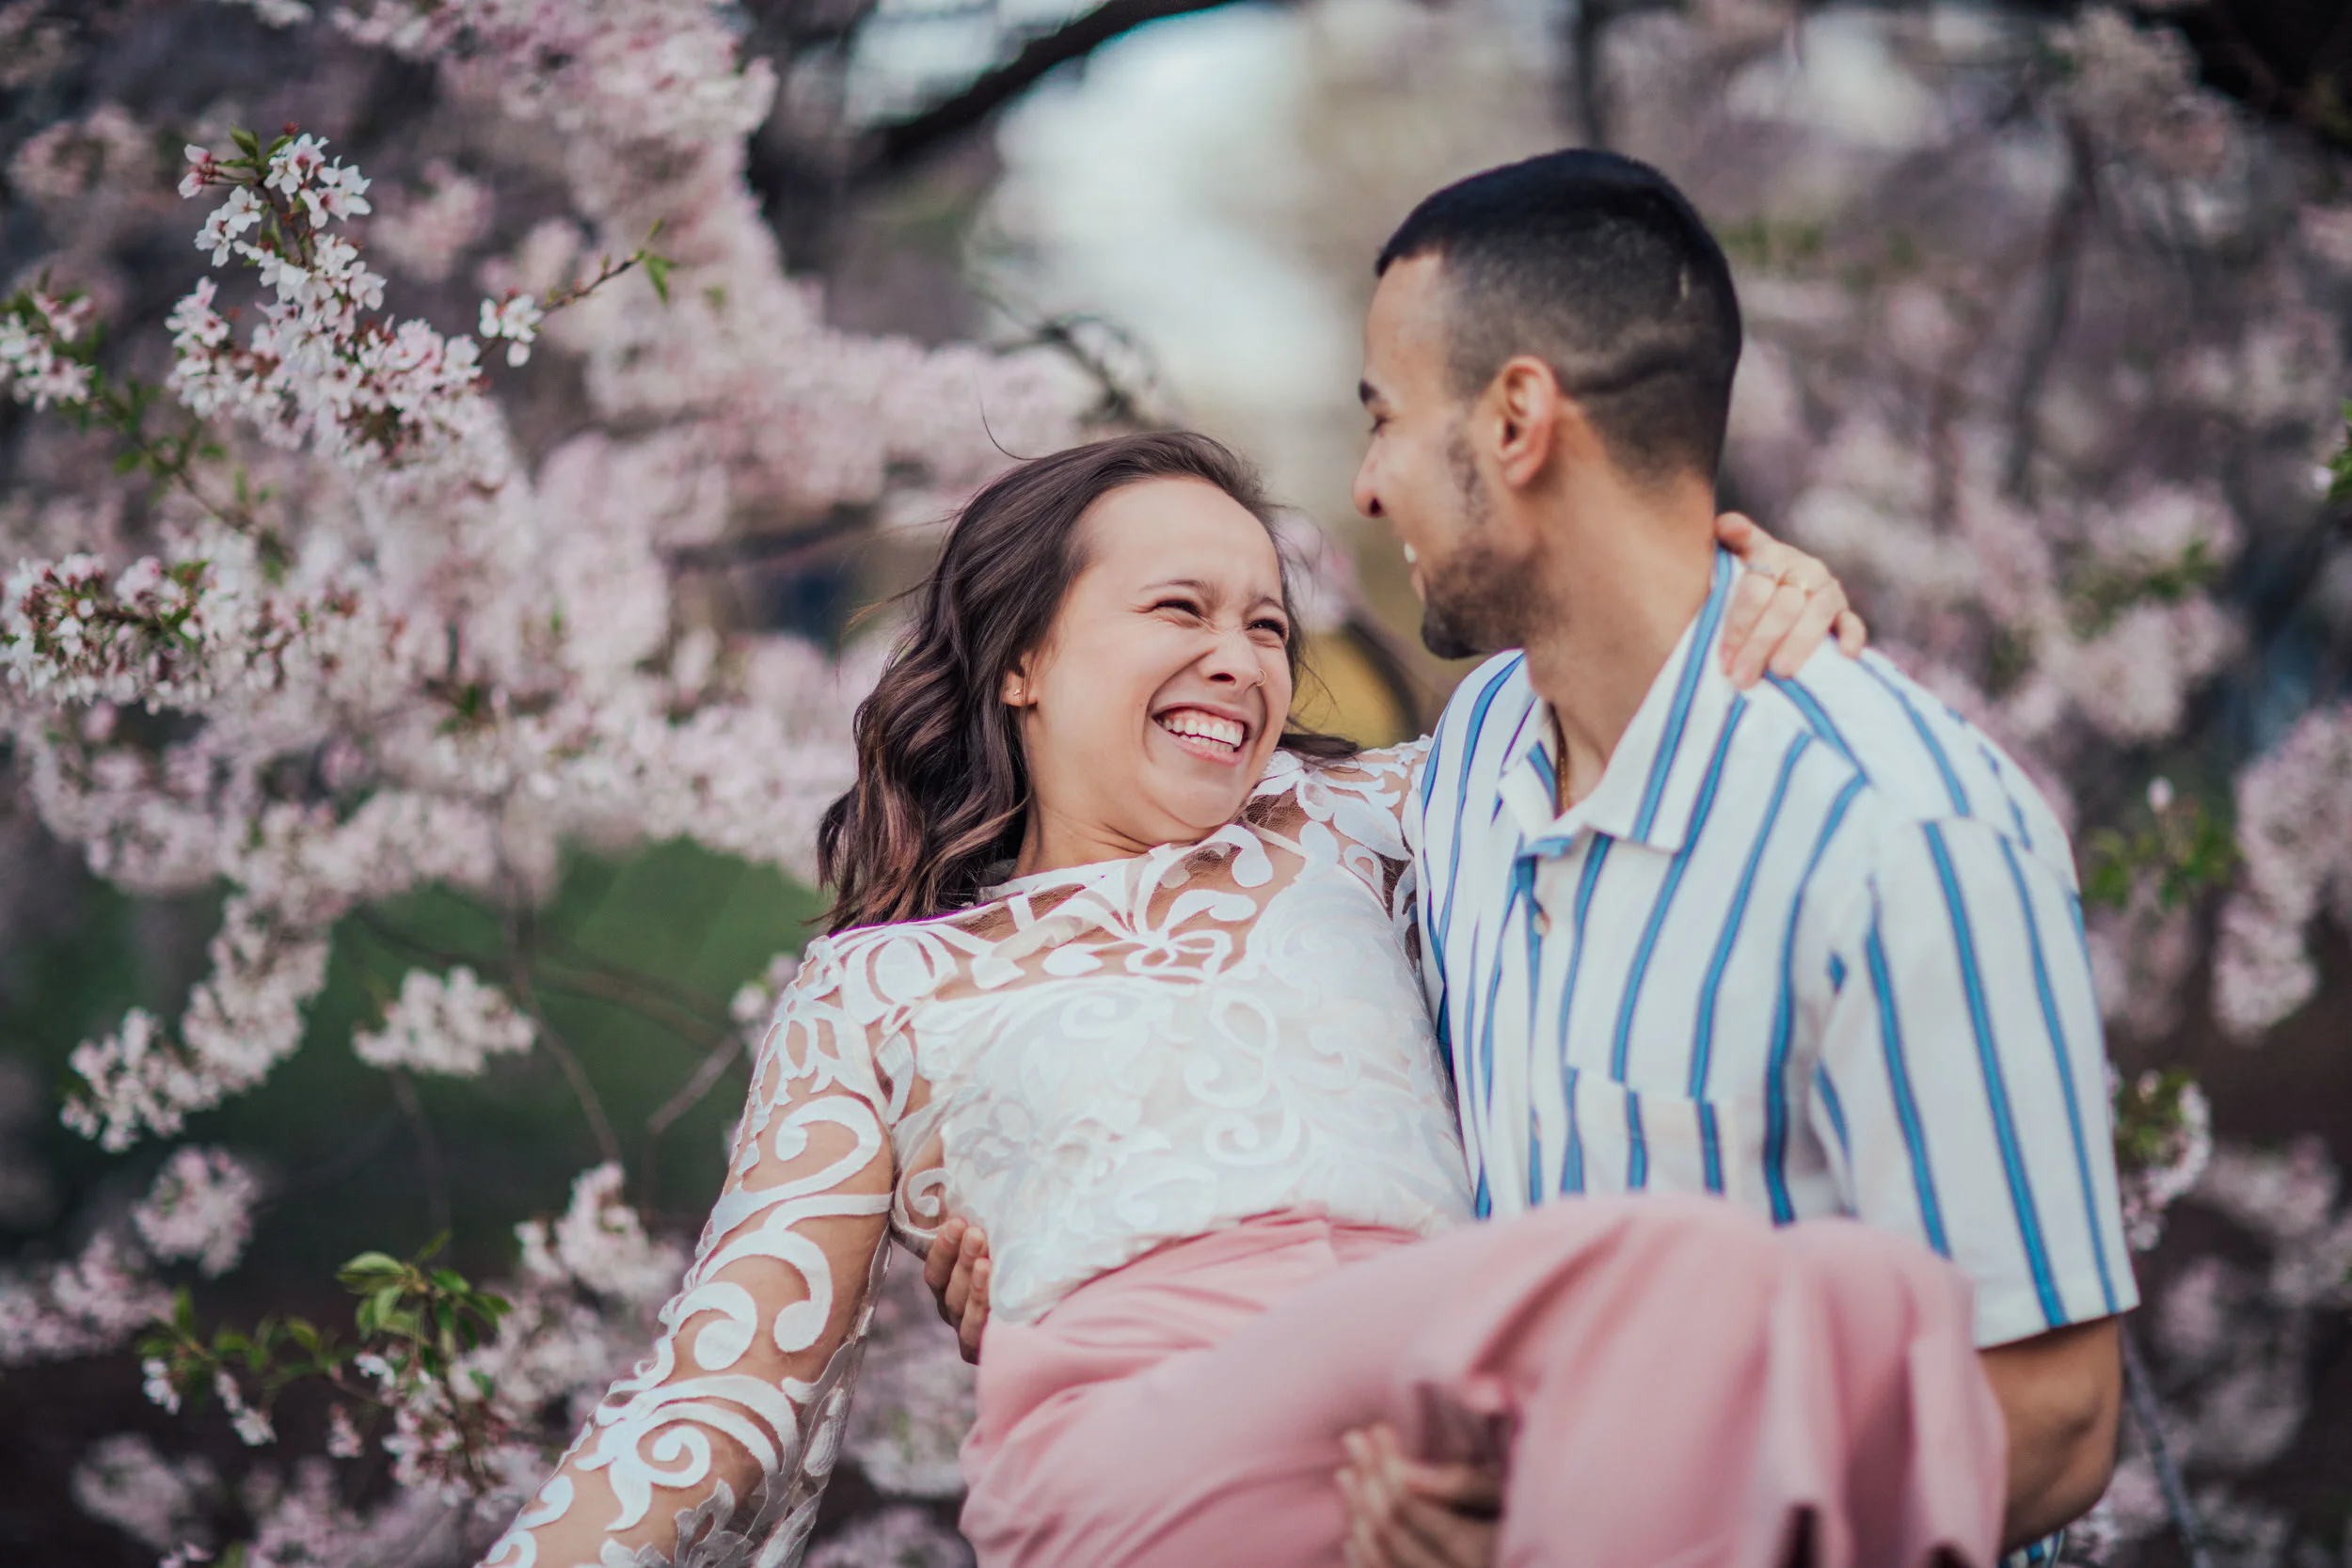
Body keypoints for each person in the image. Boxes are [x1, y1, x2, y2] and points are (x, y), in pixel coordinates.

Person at [480, 430, 2005, 1568]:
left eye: (1268, 623)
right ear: (1022, 655)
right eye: (1180, 610)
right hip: (1142, 1456)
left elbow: (1625, 692)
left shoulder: (1378, 827)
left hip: (1437, 1423)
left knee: (1877, 1301)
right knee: (1659, 1272)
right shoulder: (885, 983)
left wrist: (1753, 592)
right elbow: (721, 1385)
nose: (1240, 655)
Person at [925, 151, 2137, 1568]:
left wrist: (1596, 1526)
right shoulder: (1472, 765)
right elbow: (1230, 960)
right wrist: (1060, 1192)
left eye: (1382, 420)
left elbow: (2054, 1419)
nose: (1365, 492)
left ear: (1515, 421)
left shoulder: (1903, 833)